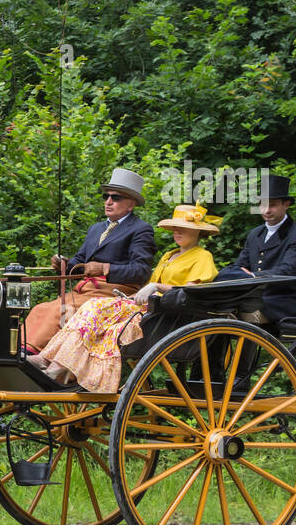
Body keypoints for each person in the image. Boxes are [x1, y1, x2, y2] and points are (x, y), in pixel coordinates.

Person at [29, 204, 222, 392]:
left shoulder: (203, 256)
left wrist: (156, 287)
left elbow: (190, 292)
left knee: (95, 308)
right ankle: (50, 359)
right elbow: (148, 289)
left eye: (183, 229)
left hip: (169, 312)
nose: (177, 232)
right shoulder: (169, 255)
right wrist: (133, 295)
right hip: (149, 305)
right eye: (174, 228)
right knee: (92, 307)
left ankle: (57, 367)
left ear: (198, 232)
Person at [23, 167, 156, 351]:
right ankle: (21, 352)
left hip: (115, 293)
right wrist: (64, 264)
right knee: (41, 308)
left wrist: (104, 269)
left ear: (131, 205)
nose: (108, 201)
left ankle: (32, 354)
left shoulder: (141, 229)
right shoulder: (96, 229)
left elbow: (141, 271)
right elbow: (79, 262)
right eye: (106, 197)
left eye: (115, 198)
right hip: (85, 291)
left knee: (59, 311)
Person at [217, 174, 296, 326]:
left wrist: (254, 276)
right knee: (217, 311)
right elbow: (240, 265)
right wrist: (240, 275)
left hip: (285, 302)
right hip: (254, 299)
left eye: (273, 205)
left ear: (286, 204)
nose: (266, 210)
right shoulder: (255, 234)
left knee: (244, 316)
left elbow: (289, 271)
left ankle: (245, 348)